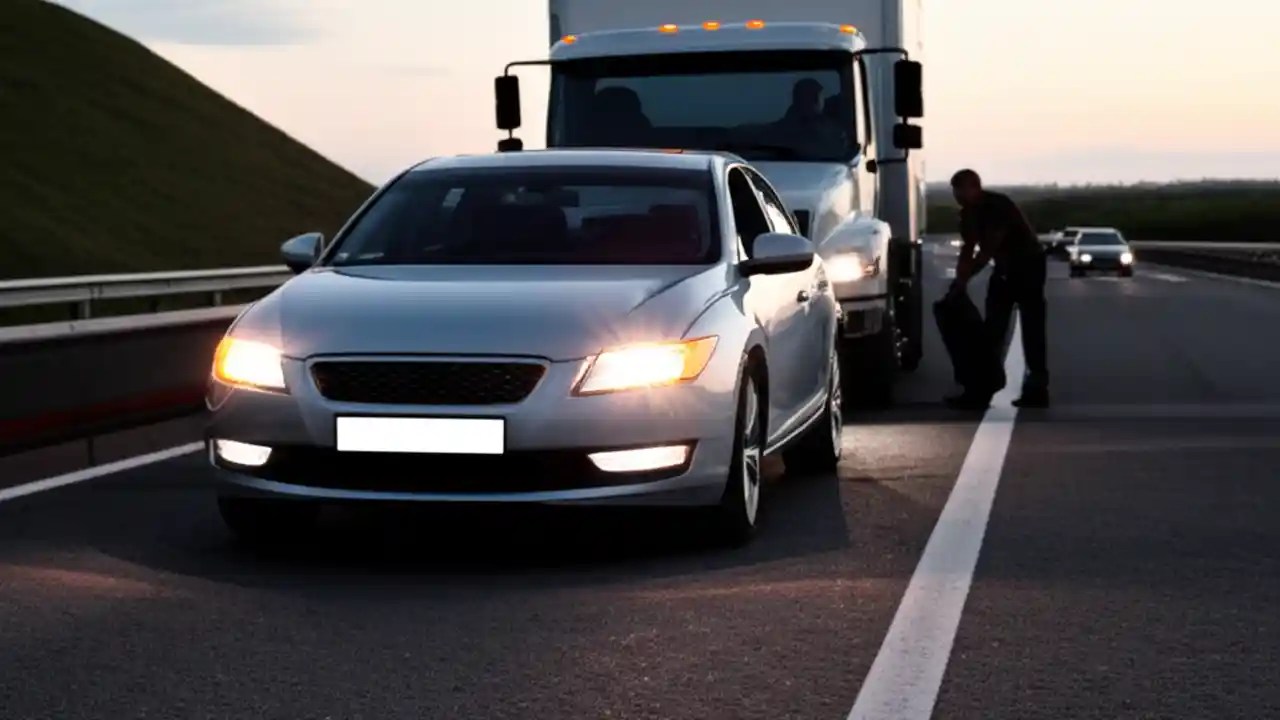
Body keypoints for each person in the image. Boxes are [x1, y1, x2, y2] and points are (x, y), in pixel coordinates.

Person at [948, 169, 1050, 409]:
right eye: (955, 192)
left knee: (1032, 327)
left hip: (1028, 265)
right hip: (1004, 268)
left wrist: (967, 277)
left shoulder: (997, 206)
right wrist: (959, 280)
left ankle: (1037, 388)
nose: (957, 197)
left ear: (975, 188)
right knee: (992, 329)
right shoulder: (968, 214)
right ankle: (981, 389)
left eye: (961, 191)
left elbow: (988, 249)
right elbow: (968, 248)